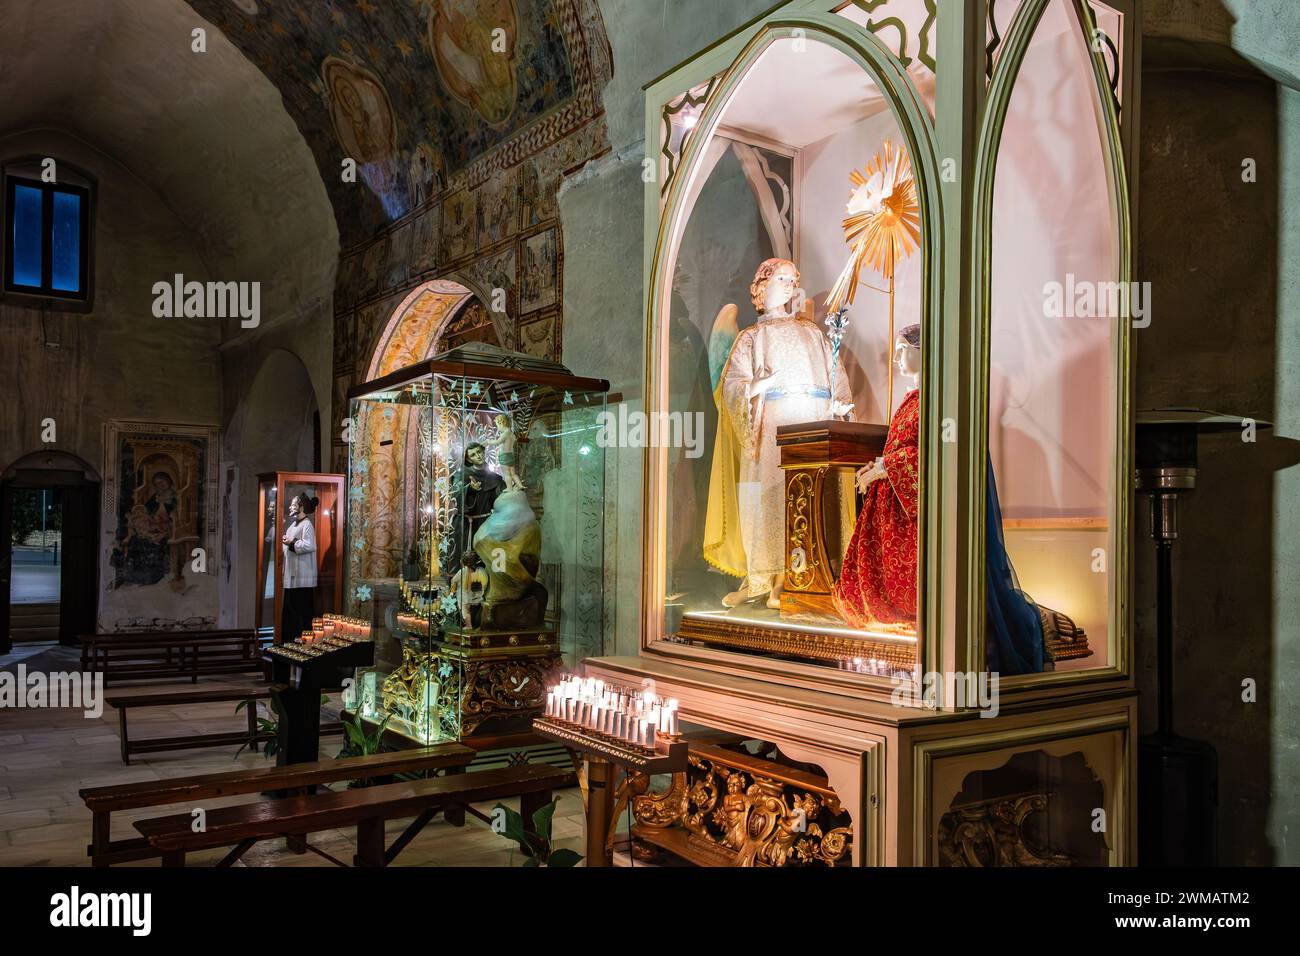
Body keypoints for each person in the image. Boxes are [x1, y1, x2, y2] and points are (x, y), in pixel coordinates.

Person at [703, 258, 854, 609]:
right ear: (762, 285)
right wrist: (756, 385)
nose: (788, 284)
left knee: (809, 497)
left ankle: (800, 576)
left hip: (810, 421)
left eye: (792, 279)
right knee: (770, 499)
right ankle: (763, 577)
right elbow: (732, 389)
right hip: (770, 428)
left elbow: (836, 376)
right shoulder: (750, 338)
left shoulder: (812, 332)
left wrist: (840, 405)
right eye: (781, 278)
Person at [448, 442, 505, 569]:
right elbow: (455, 495)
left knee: (484, 561)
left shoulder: (495, 478)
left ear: (483, 452)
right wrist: (470, 489)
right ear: (468, 459)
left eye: (479, 452)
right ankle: (459, 587)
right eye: (473, 455)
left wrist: (513, 489)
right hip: (464, 525)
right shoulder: (461, 475)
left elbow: (501, 500)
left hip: (485, 524)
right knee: (462, 563)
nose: (478, 456)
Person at [280, 494, 318, 643]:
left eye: (293, 504)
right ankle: (288, 641)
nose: (290, 507)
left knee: (301, 611)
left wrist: (291, 542)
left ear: (301, 507)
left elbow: (310, 545)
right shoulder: (294, 524)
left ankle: (302, 641)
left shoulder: (307, 524)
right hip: (292, 574)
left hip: (303, 576)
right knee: (290, 611)